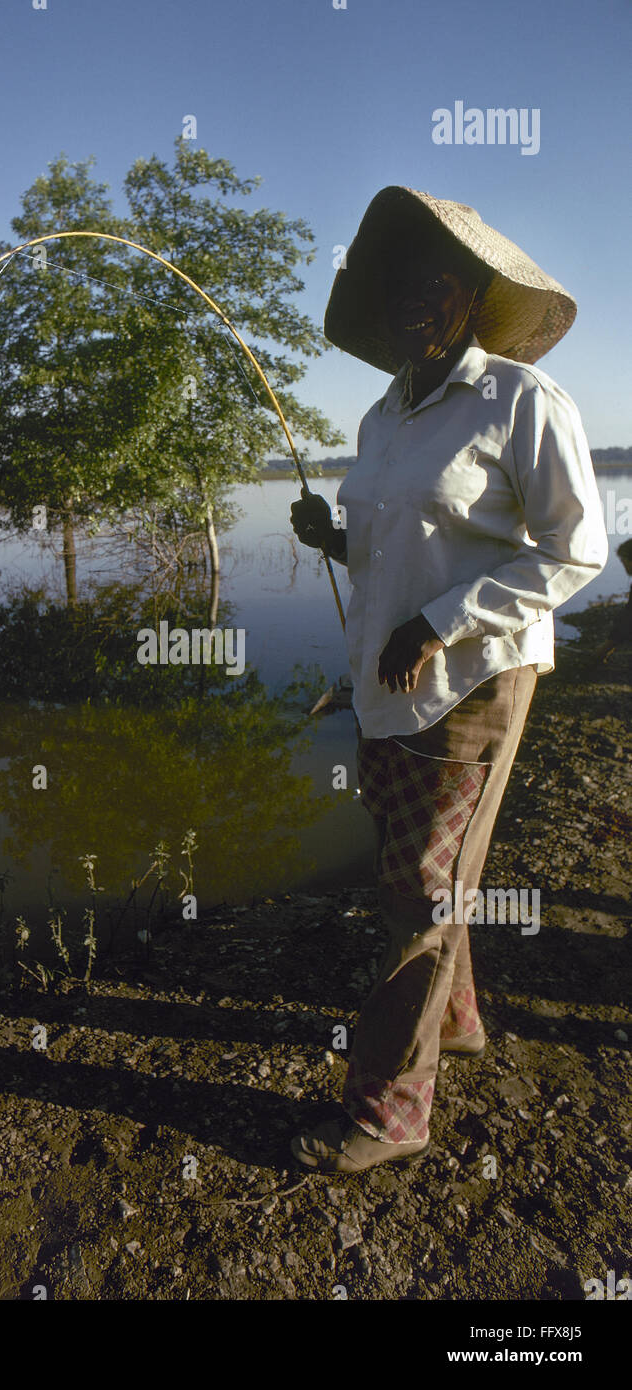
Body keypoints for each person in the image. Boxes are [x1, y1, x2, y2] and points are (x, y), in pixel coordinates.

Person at [288, 186, 608, 1175]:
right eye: (390, 288)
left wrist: (439, 623)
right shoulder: (384, 415)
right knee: (418, 877)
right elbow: (406, 547)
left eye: (429, 283)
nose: (405, 303)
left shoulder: (521, 401)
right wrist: (334, 539)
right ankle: (459, 1019)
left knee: (423, 896)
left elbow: (576, 552)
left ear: (470, 296)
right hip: (385, 691)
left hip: (467, 686)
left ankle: (391, 1112)